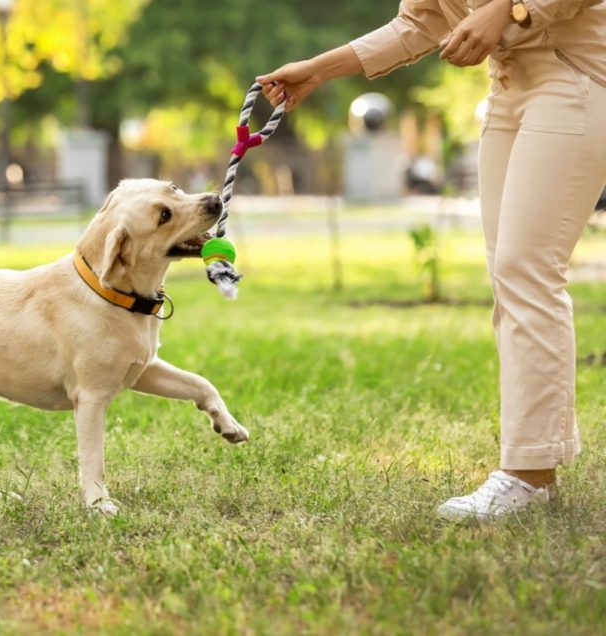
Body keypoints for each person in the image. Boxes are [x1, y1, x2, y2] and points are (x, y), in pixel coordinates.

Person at [257, 0, 606, 521]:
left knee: (526, 270)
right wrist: (319, 69)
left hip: (575, 75)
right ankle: (536, 468)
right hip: (508, 88)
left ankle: (528, 475)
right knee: (509, 277)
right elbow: (419, 21)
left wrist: (509, 9)